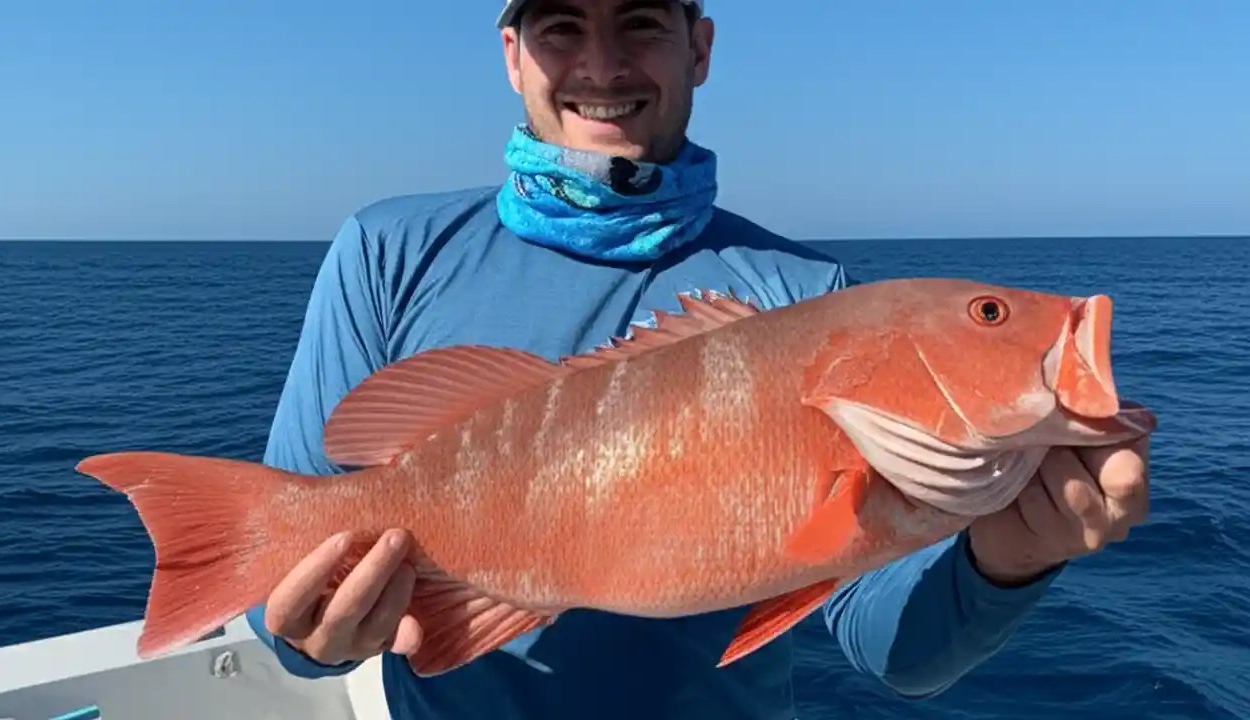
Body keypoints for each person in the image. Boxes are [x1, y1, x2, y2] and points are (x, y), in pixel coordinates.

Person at [244, 0, 1152, 717]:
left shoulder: (802, 289)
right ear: (514, 53)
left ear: (700, 47)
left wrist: (1007, 559)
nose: (601, 65)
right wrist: (313, 633)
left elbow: (893, 652)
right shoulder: (389, 249)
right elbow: (277, 604)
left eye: (641, 21)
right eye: (563, 26)